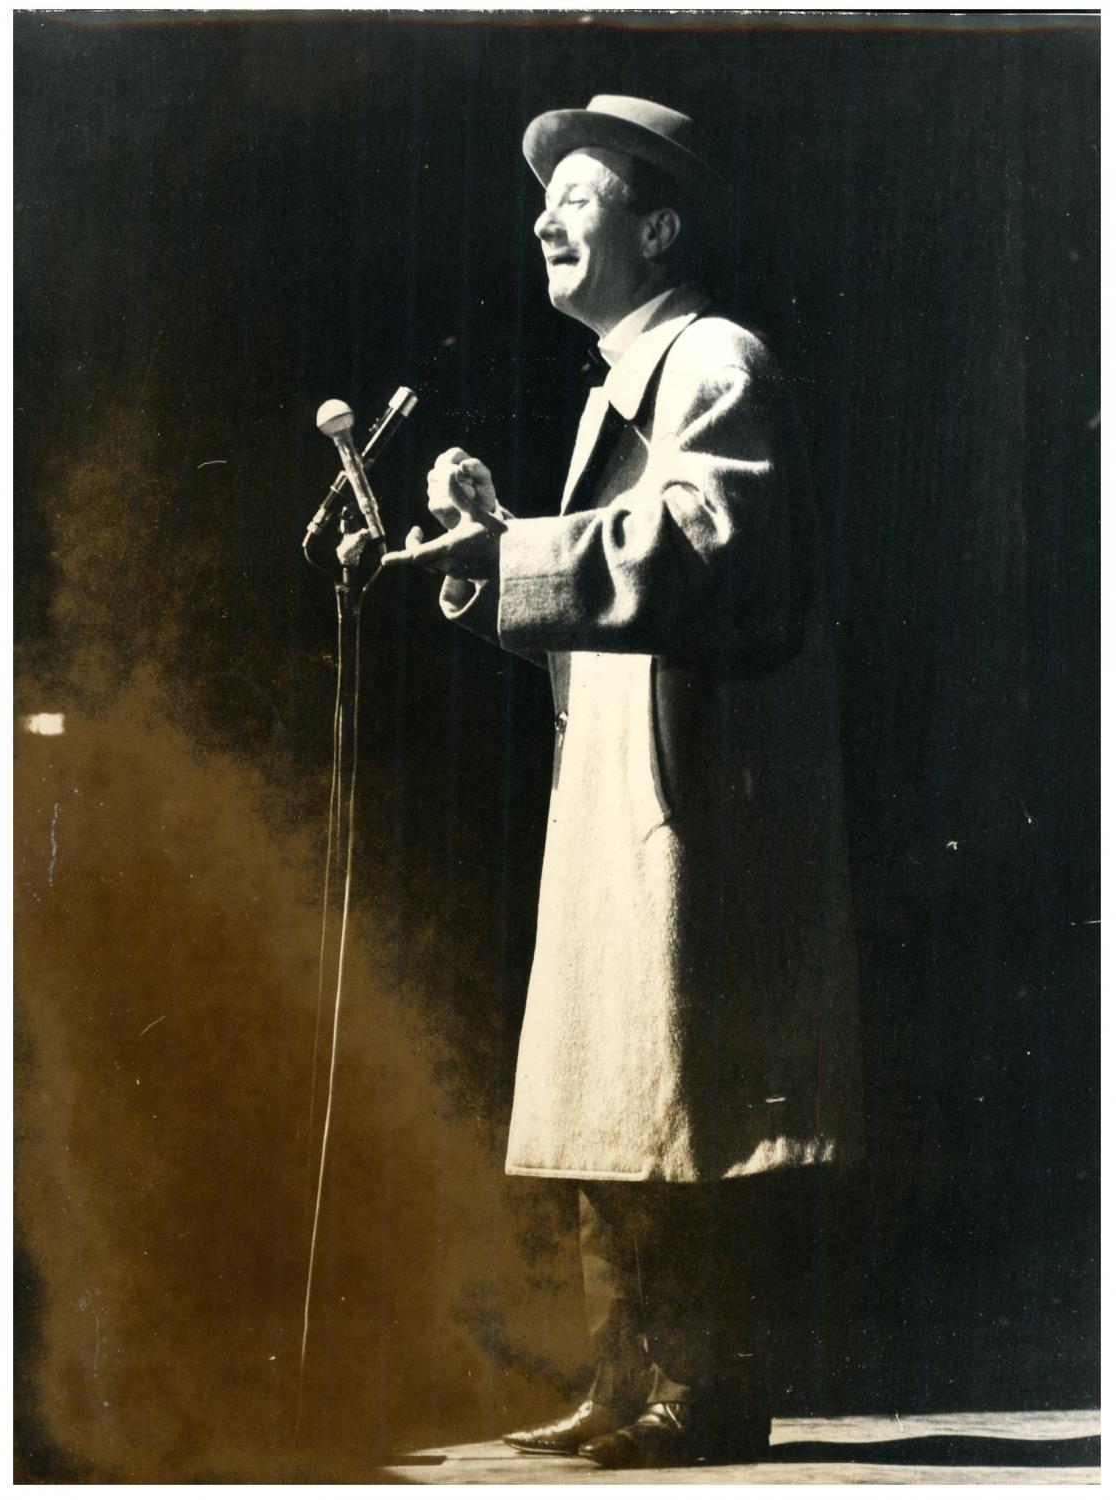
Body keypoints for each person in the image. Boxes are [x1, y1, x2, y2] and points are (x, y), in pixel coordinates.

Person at [383, 95, 863, 1469]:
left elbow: (705, 543)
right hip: (619, 782)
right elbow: (604, 568)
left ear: (657, 227)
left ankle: (700, 1393)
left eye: (574, 201)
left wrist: (523, 545)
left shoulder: (716, 358)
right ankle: (626, 1375)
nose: (541, 218)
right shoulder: (624, 376)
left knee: (678, 1095)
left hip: (690, 795)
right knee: (614, 1084)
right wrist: (489, 547)